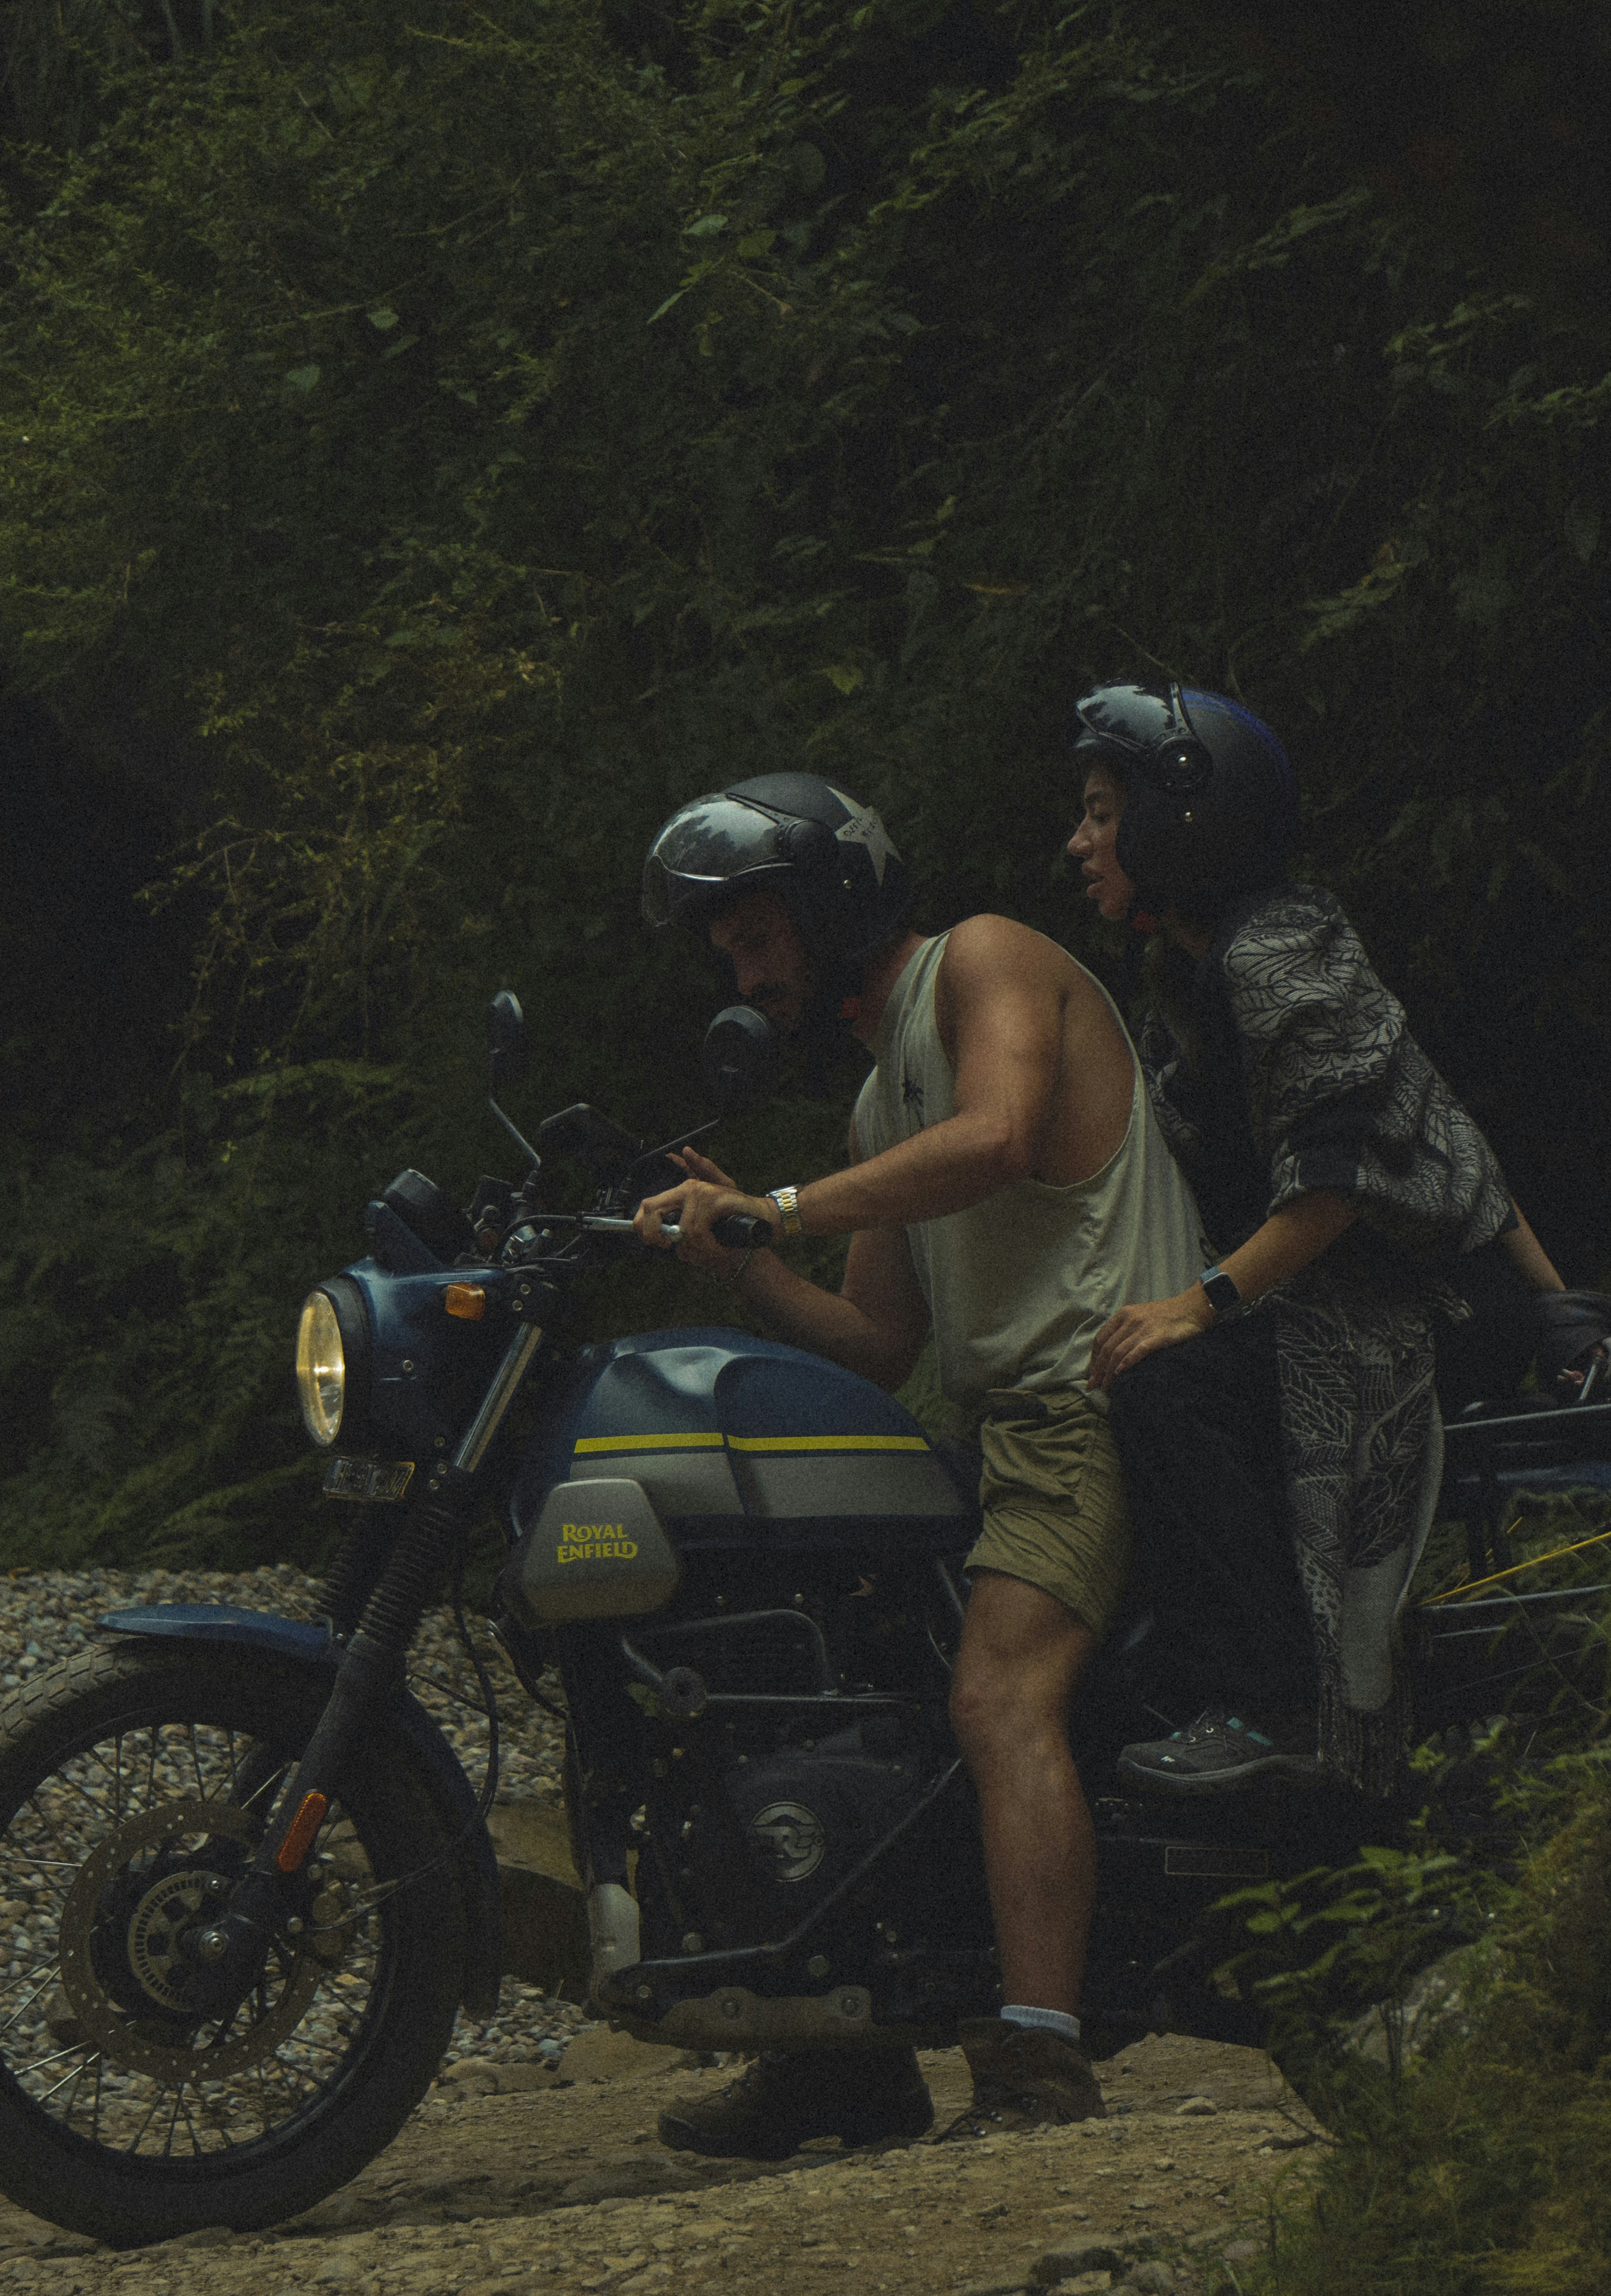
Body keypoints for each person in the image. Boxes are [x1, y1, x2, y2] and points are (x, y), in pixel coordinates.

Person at [633, 771, 1206, 2150]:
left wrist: (768, 1209)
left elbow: (1000, 1136)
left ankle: (1043, 2061)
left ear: (834, 903)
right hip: (988, 1429)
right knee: (844, 1689)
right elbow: (880, 1341)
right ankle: (842, 2051)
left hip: (1096, 1406)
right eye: (727, 952)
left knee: (1001, 1699)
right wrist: (734, 1264)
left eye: (757, 936)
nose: (743, 968)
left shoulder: (987, 960)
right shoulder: (879, 1101)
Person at [1064, 681, 1581, 1795]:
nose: (1079, 841)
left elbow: (1342, 1177)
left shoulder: (1276, 952)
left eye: (1102, 814)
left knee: (1170, 1386)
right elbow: (1441, 1116)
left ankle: (1272, 1705)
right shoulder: (1191, 975)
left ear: (1179, 818)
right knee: (1157, 1371)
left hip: (1430, 1311)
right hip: (1371, 1301)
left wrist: (1195, 1304)